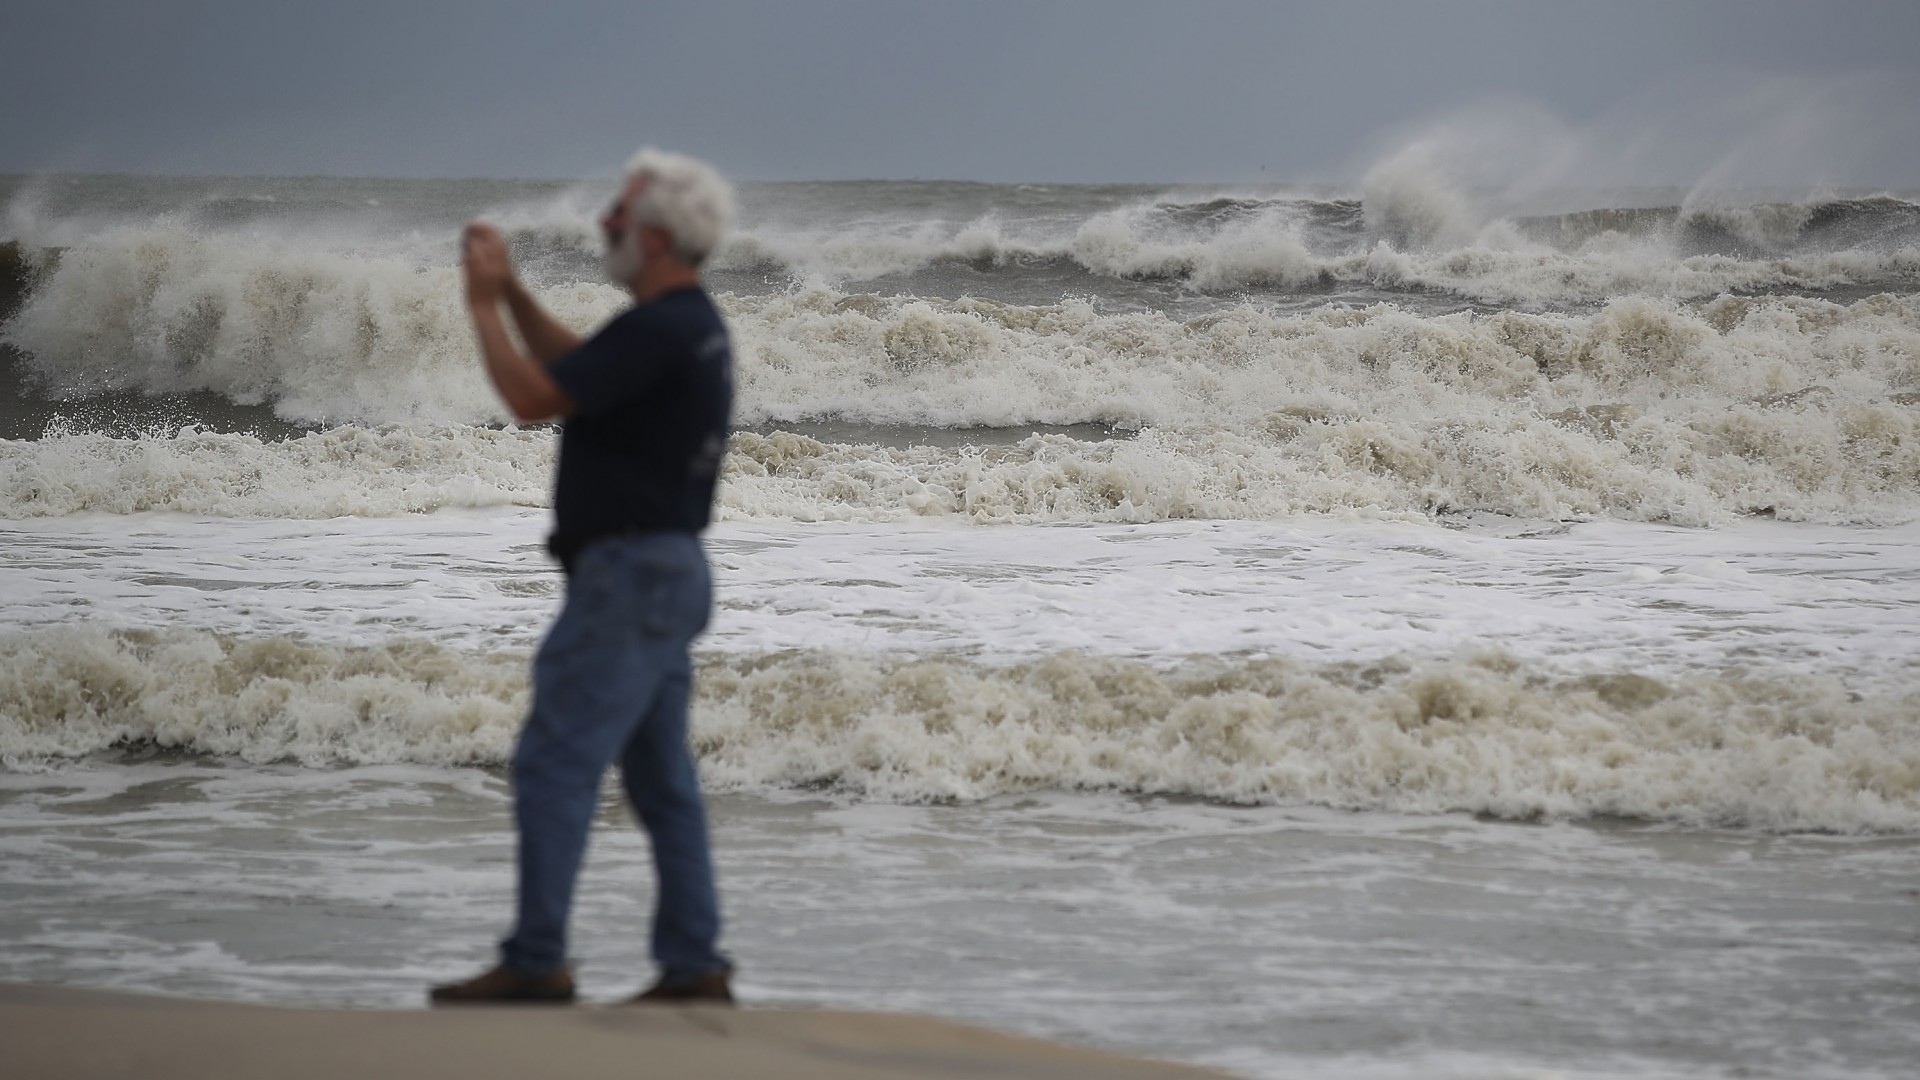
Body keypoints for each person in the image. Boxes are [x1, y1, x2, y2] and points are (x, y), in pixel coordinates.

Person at [430, 148, 737, 1006]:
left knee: (554, 763)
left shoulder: (662, 328)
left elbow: (533, 396)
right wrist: (520, 296)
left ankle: (536, 963)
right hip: (668, 570)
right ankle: (695, 964)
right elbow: (576, 377)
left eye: (620, 214)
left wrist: (483, 304)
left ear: (661, 235)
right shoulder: (683, 325)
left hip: (631, 574)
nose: (606, 223)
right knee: (660, 779)